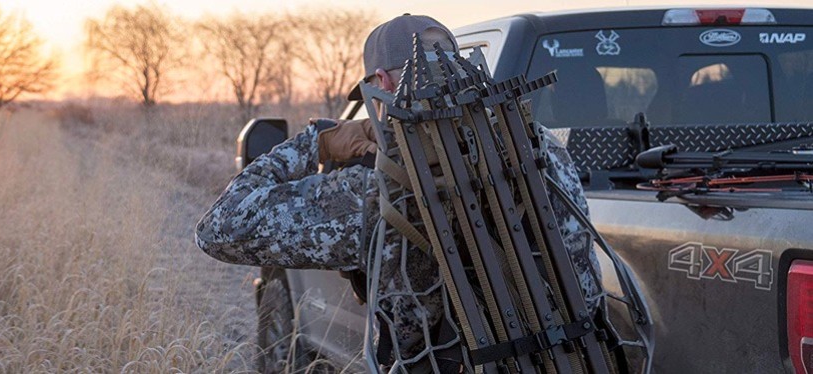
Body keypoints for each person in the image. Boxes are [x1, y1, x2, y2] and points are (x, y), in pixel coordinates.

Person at [195, 14, 602, 372]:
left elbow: (217, 229)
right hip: (567, 360)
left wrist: (315, 144)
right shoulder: (540, 149)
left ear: (382, 83)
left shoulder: (371, 193)